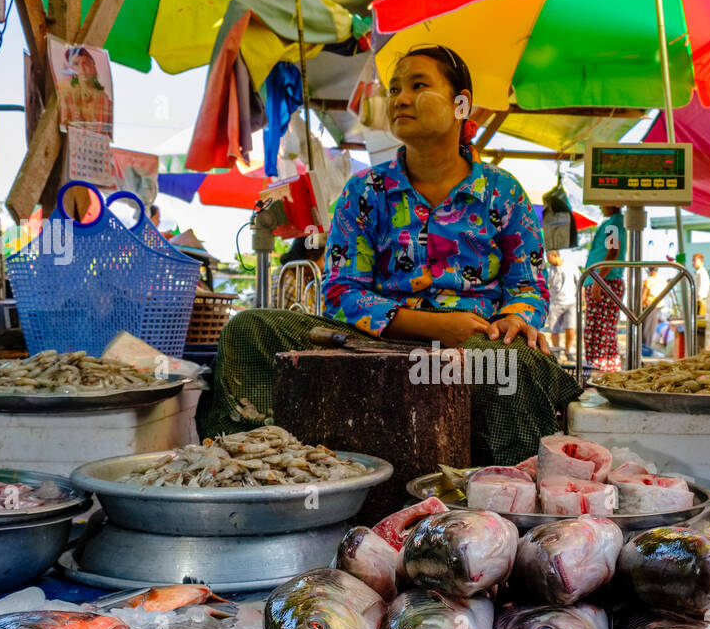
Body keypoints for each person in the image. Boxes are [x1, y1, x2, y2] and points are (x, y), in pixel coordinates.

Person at [200, 46, 581, 465]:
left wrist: (515, 317)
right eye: (395, 88)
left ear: (461, 103)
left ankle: (504, 487)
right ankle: (254, 468)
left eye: (418, 86)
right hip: (375, 344)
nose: (399, 98)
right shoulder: (365, 191)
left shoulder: (502, 191)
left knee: (504, 362)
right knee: (251, 328)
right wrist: (434, 326)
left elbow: (528, 286)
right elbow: (344, 292)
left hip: (477, 345)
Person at [582, 205, 625, 371]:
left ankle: (599, 372)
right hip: (605, 280)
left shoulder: (614, 224)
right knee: (602, 330)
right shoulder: (615, 223)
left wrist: (599, 281)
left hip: (606, 281)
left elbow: (613, 251)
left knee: (599, 332)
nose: (600, 205)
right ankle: (603, 370)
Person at [542, 248, 577, 359]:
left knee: (570, 327)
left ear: (555, 255)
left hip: (570, 301)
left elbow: (579, 281)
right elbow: (545, 285)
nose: (547, 260)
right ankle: (556, 351)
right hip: (555, 303)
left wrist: (582, 298)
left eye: (548, 257)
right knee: (554, 329)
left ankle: (568, 350)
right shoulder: (548, 270)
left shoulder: (570, 265)